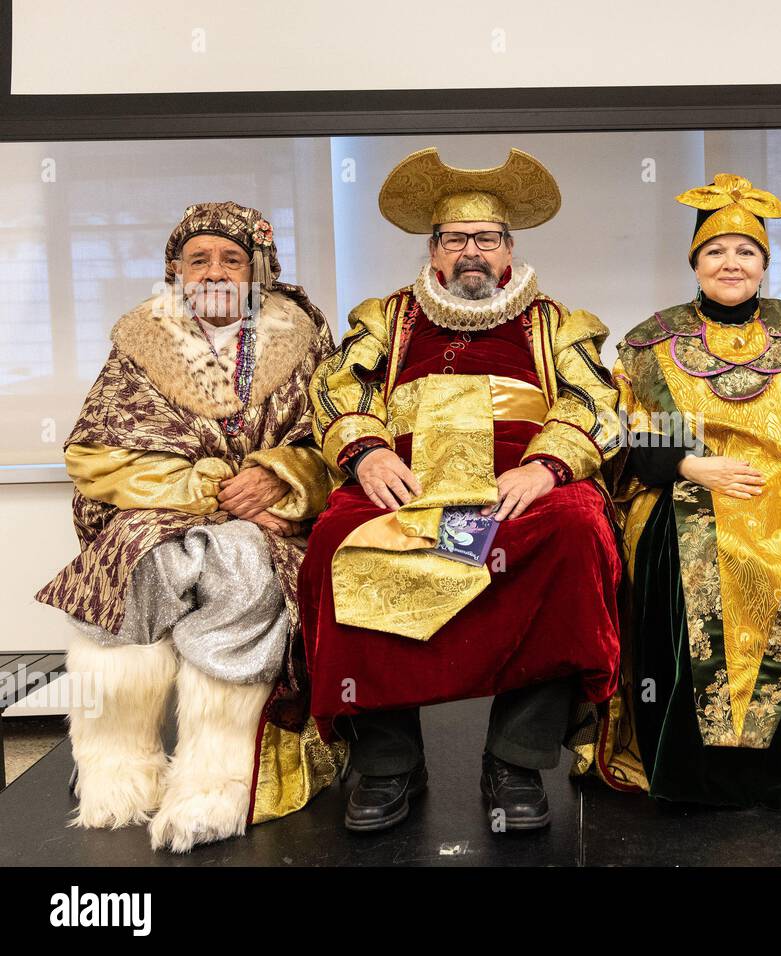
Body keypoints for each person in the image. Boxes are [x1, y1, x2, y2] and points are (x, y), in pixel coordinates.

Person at [299, 147, 622, 833]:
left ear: (509, 251)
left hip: (515, 495)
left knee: (576, 531)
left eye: (485, 239)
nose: (470, 252)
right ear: (434, 251)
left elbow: (596, 400)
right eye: (454, 240)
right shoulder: (385, 319)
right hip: (408, 490)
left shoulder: (555, 322)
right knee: (336, 537)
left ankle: (515, 759)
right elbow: (336, 387)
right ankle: (389, 763)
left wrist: (549, 467)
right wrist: (366, 452)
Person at [577, 173, 781, 809]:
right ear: (695, 262)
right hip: (692, 492)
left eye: (746, 252)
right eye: (716, 252)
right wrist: (692, 467)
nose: (731, 263)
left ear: (765, 264)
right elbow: (630, 431)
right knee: (673, 565)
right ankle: (700, 776)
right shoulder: (653, 341)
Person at [36, 201, 342, 852]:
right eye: (198, 259)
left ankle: (220, 778)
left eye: (232, 259)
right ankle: (116, 772)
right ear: (175, 269)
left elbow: (336, 439)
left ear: (258, 270)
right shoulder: (143, 343)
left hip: (268, 523)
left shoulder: (305, 339)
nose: (214, 272)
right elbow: (96, 454)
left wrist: (280, 474)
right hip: (163, 513)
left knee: (232, 565)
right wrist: (207, 487)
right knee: (133, 567)